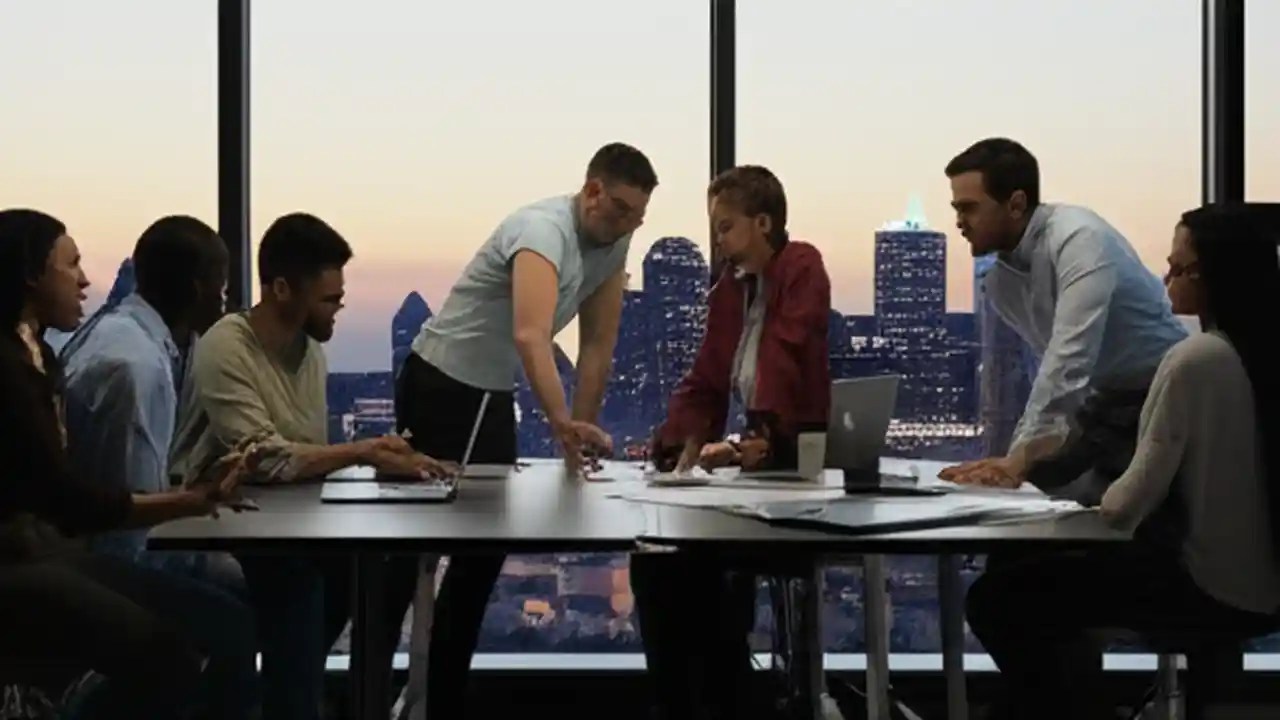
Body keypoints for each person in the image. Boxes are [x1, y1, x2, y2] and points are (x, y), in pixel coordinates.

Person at [965, 202, 1280, 720]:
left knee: (997, 600)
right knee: (1027, 584)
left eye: (1180, 268)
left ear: (1216, 275)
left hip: (1204, 587)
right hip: (1261, 587)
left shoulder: (1193, 360)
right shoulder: (1252, 354)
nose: (1165, 278)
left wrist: (1065, 486)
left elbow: (1123, 506)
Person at [397, 142, 657, 715]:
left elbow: (596, 346)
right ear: (590, 191)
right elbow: (531, 336)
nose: (624, 225)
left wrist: (580, 434)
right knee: (405, 552)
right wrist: (560, 422)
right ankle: (379, 690)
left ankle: (441, 700)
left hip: (489, 391)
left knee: (483, 552)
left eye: (636, 217)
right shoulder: (543, 231)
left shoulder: (614, 241)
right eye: (617, 209)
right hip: (439, 381)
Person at [171, 212, 453, 720]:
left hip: (274, 517)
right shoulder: (226, 345)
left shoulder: (311, 352)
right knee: (299, 587)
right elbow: (266, 457)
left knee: (349, 573)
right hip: (210, 517)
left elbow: (303, 456)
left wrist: (381, 461)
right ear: (281, 288)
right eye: (328, 299)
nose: (338, 309)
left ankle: (290, 701)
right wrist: (363, 452)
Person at [0, 208, 254, 719]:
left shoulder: (40, 357)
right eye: (70, 265)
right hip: (20, 559)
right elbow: (68, 502)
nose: (85, 280)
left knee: (222, 620)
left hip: (43, 548)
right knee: (176, 651)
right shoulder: (113, 365)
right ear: (31, 276)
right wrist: (189, 501)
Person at [636, 165, 831, 719]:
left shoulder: (802, 267)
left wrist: (760, 438)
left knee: (696, 569)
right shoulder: (728, 292)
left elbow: (786, 353)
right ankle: (690, 704)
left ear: (763, 223)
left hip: (796, 463)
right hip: (755, 470)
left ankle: (724, 699)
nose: (717, 240)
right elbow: (707, 377)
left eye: (725, 228)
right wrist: (678, 441)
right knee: (656, 563)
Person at [937, 138, 1188, 502]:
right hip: (1102, 405)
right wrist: (1016, 458)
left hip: (1160, 399)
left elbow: (1069, 358)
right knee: (1027, 493)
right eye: (957, 209)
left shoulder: (1080, 239)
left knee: (1065, 513)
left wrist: (1019, 459)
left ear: (1016, 204)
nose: (960, 222)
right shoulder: (999, 279)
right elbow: (1052, 369)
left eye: (969, 208)